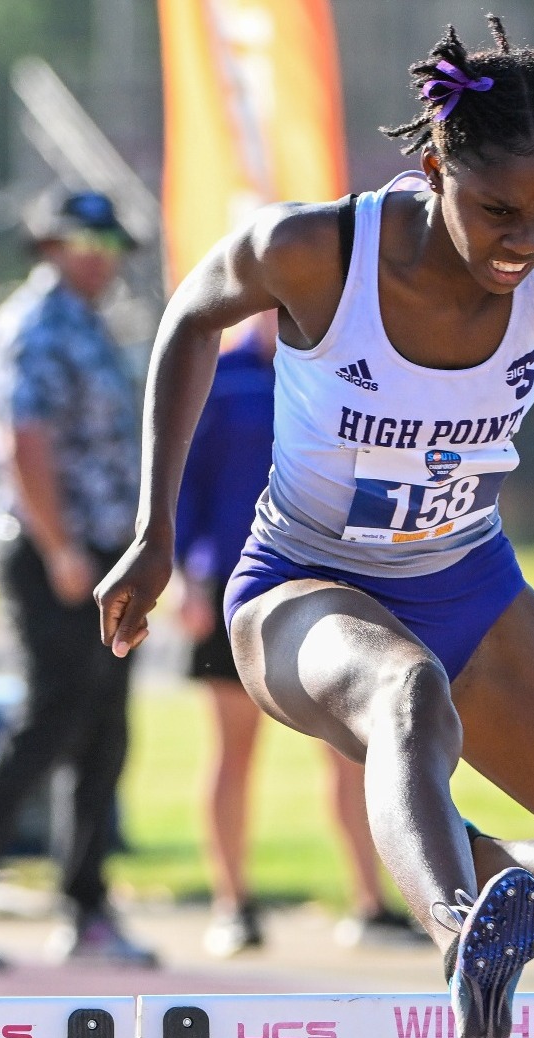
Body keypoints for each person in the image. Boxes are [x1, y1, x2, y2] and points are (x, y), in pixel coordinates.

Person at [96, 18, 534, 1038]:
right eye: (496, 212)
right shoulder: (315, 250)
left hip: (472, 592)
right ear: (432, 160)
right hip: (300, 592)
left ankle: (500, 872)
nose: (523, 242)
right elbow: (190, 316)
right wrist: (153, 530)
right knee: (404, 690)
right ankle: (461, 933)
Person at [0, 189, 159, 970]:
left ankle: (85, 902)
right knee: (49, 721)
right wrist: (61, 549)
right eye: (89, 242)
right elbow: (25, 441)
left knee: (104, 731)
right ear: (50, 245)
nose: (104, 258)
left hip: (106, 550)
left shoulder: (87, 323)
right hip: (60, 552)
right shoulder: (38, 323)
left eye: (113, 244)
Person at [174, 315, 428, 956]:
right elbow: (184, 479)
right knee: (235, 751)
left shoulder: (342, 377)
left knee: (355, 750)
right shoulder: (221, 376)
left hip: (328, 592)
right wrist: (183, 574)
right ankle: (233, 904)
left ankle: (371, 904)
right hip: (238, 587)